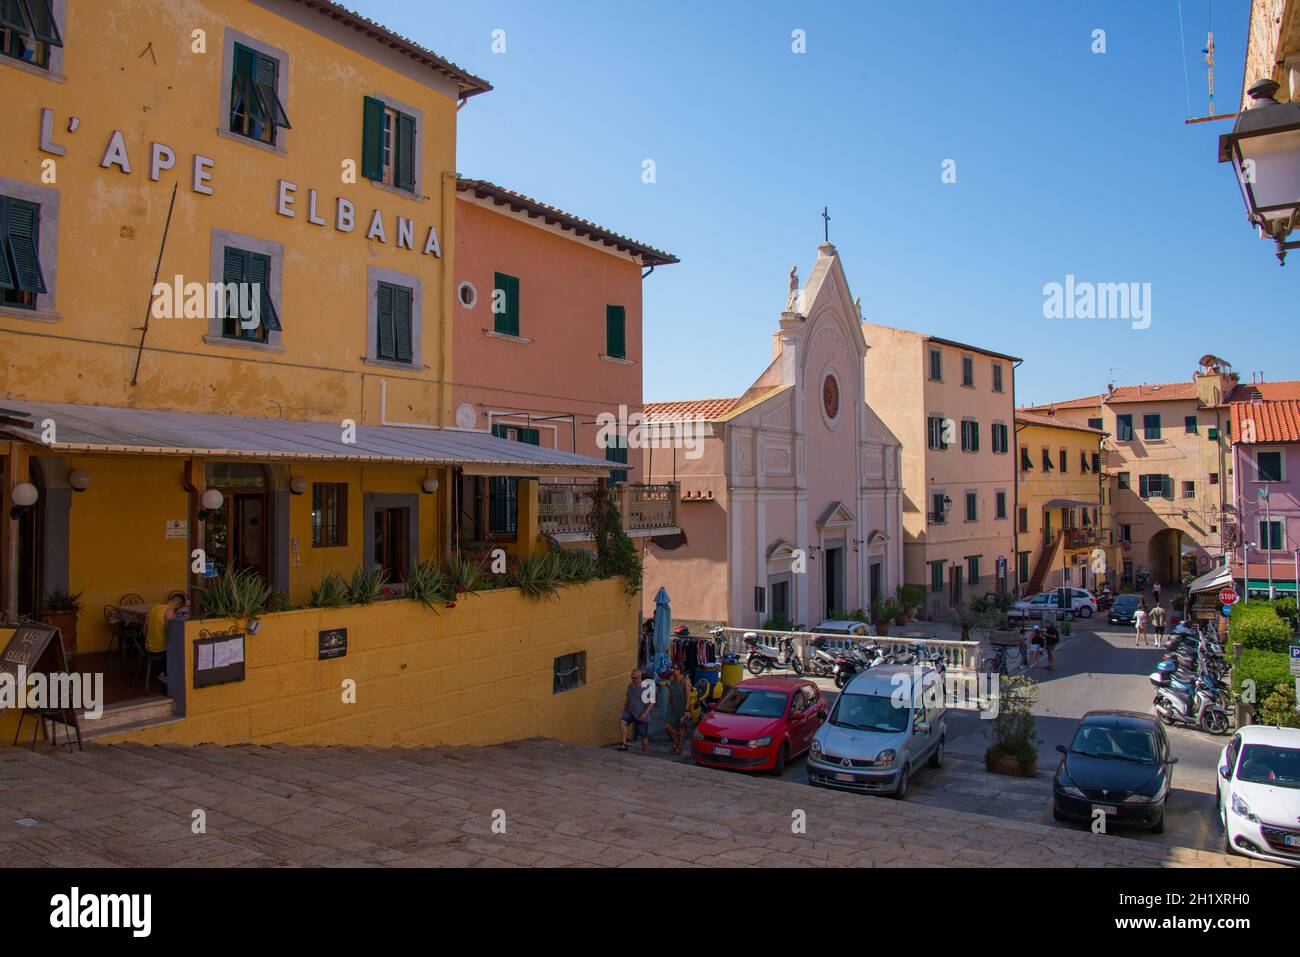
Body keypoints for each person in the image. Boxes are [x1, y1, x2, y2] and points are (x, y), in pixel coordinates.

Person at [618, 669, 654, 754]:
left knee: (643, 737)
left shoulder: (647, 688)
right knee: (622, 721)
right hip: (631, 712)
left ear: (640, 677)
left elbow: (652, 702)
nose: (633, 679)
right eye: (632, 678)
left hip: (642, 714)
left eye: (635, 678)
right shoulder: (630, 686)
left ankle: (644, 753)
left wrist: (645, 714)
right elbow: (627, 699)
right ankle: (624, 743)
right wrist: (623, 711)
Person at [664, 664, 691, 755]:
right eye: (673, 668)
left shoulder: (686, 681)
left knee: (681, 727)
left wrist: (686, 710)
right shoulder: (672, 679)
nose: (674, 670)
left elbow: (688, 696)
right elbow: (670, 691)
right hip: (673, 704)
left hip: (682, 704)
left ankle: (679, 747)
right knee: (668, 725)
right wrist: (669, 698)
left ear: (681, 670)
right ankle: (676, 741)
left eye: (676, 668)